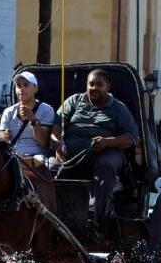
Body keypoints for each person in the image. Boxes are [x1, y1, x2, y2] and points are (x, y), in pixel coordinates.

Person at [51, 68, 140, 237]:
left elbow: (131, 138)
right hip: (72, 156)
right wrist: (58, 145)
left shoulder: (118, 108)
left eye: (99, 84)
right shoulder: (74, 101)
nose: (94, 88)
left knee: (105, 167)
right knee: (51, 167)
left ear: (108, 87)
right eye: (91, 84)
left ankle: (98, 220)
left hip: (106, 153)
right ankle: (55, 219)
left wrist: (107, 142)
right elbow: (56, 124)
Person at [0, 71, 55, 160]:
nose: (21, 89)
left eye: (26, 85)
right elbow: (3, 140)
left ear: (35, 88)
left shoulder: (47, 110)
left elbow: (43, 143)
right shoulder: (8, 112)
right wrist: (5, 137)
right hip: (13, 156)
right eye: (18, 86)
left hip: (38, 156)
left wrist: (33, 119)